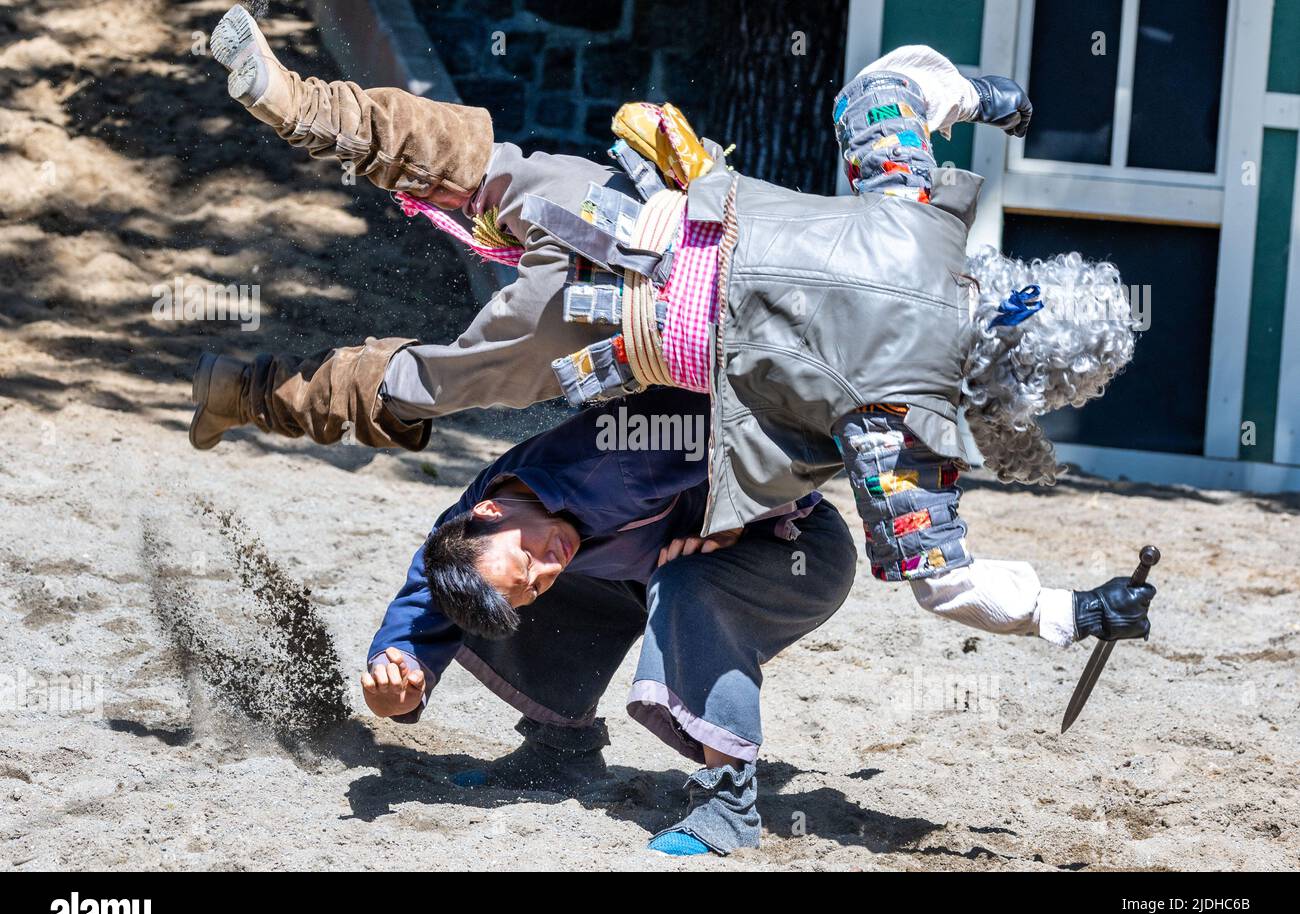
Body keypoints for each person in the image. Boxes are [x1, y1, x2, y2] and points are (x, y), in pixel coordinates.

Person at [195, 8, 1157, 686]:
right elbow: (940, 581)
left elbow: (881, 87)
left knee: (476, 167)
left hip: (635, 221)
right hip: (604, 327)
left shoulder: (918, 217)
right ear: (1010, 393)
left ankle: (298, 104)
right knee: (418, 383)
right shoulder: (902, 431)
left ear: (1020, 283)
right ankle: (247, 389)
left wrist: (978, 97)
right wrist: (1072, 610)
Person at [361, 387, 857, 855]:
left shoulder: (618, 456)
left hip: (798, 549)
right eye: (534, 569)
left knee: (684, 584)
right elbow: (429, 592)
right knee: (501, 597)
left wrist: (728, 519)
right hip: (660, 564)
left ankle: (728, 807)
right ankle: (561, 751)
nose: (547, 565)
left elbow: (771, 426)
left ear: (490, 512)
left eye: (529, 556)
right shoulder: (468, 533)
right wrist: (397, 668)